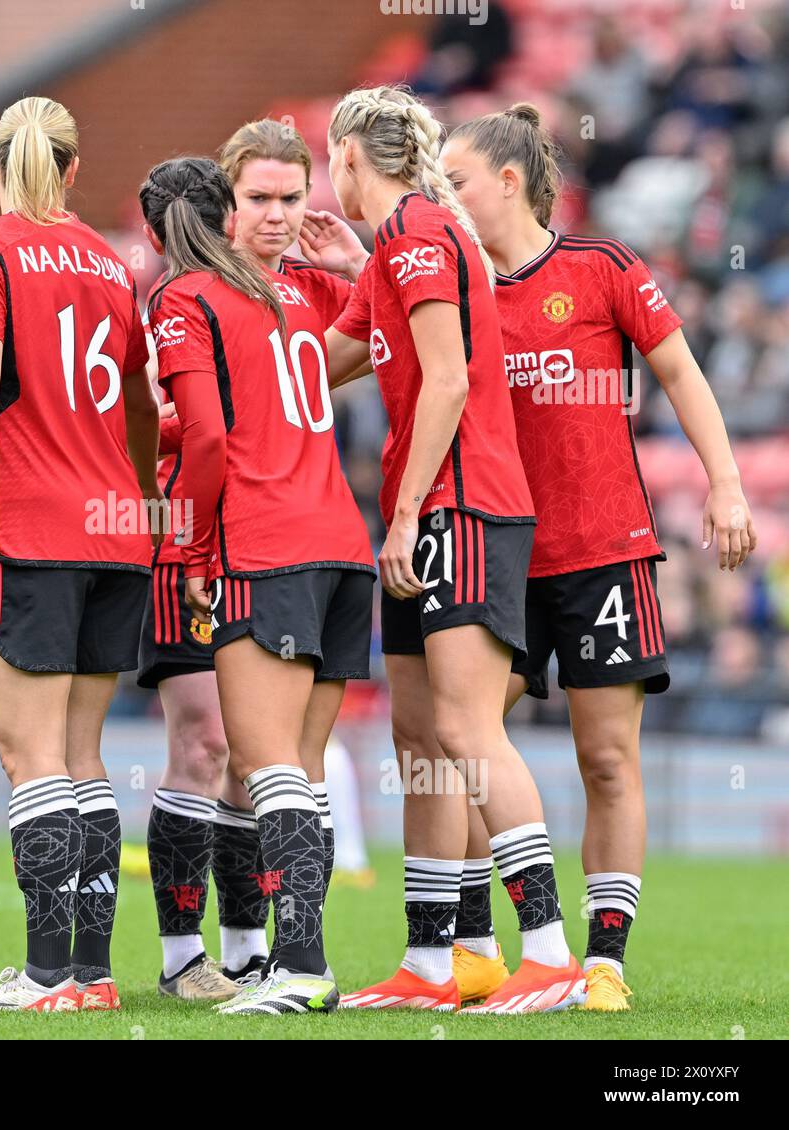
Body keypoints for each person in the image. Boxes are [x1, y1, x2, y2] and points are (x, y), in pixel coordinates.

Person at [441, 103, 757, 1010]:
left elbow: (682, 371)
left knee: (607, 760)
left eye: (454, 182)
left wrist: (726, 484)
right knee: (461, 741)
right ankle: (470, 943)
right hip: (492, 554)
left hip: (602, 553)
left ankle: (604, 962)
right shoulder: (452, 290)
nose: (443, 200)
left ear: (507, 182)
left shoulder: (603, 268)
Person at [324, 85, 583, 1014]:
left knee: (471, 732)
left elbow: (447, 379)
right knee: (421, 736)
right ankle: (434, 962)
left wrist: (403, 520)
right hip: (427, 507)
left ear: (349, 158)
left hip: (460, 508)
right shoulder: (404, 241)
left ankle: (551, 954)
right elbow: (324, 360)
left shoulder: (417, 233)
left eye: (329, 166)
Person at [0, 96, 160, 1012]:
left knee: (32, 763)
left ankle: (41, 975)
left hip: (30, 528)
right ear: (72, 169)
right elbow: (142, 403)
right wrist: (141, 496)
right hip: (116, 531)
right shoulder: (111, 261)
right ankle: (93, 975)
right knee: (84, 757)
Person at [140, 119, 370, 1002]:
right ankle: (239, 960)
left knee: (265, 763)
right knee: (256, 762)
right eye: (259, 200)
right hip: (329, 547)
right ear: (223, 205)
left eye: (289, 198)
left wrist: (196, 546)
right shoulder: (256, 294)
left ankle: (290, 965)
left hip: (258, 545)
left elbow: (204, 435)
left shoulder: (224, 297)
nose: (277, 216)